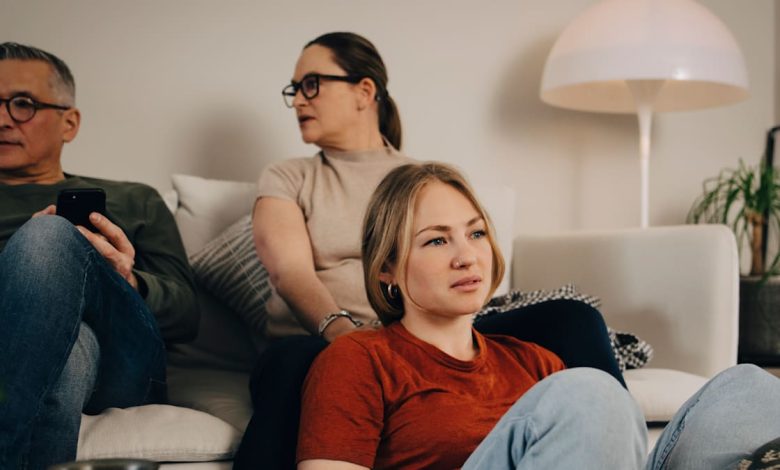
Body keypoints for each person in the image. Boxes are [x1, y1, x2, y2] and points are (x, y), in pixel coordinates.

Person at [233, 32, 622, 469]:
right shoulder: (291, 176)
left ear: (364, 91)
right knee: (299, 363)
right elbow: (290, 272)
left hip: (427, 319)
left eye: (311, 84)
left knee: (573, 317)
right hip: (327, 334)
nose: (299, 101)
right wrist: (350, 338)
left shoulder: (422, 178)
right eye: (295, 89)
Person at [297, 162, 780, 470]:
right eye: (437, 240)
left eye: (476, 234)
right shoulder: (359, 359)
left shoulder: (534, 363)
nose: (467, 257)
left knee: (749, 389)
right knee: (593, 393)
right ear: (387, 268)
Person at [0, 43, 199, 470]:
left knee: (49, 235)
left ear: (69, 122)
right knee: (68, 358)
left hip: (121, 362)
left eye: (21, 104)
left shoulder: (136, 200)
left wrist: (126, 280)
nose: (1, 119)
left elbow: (186, 314)